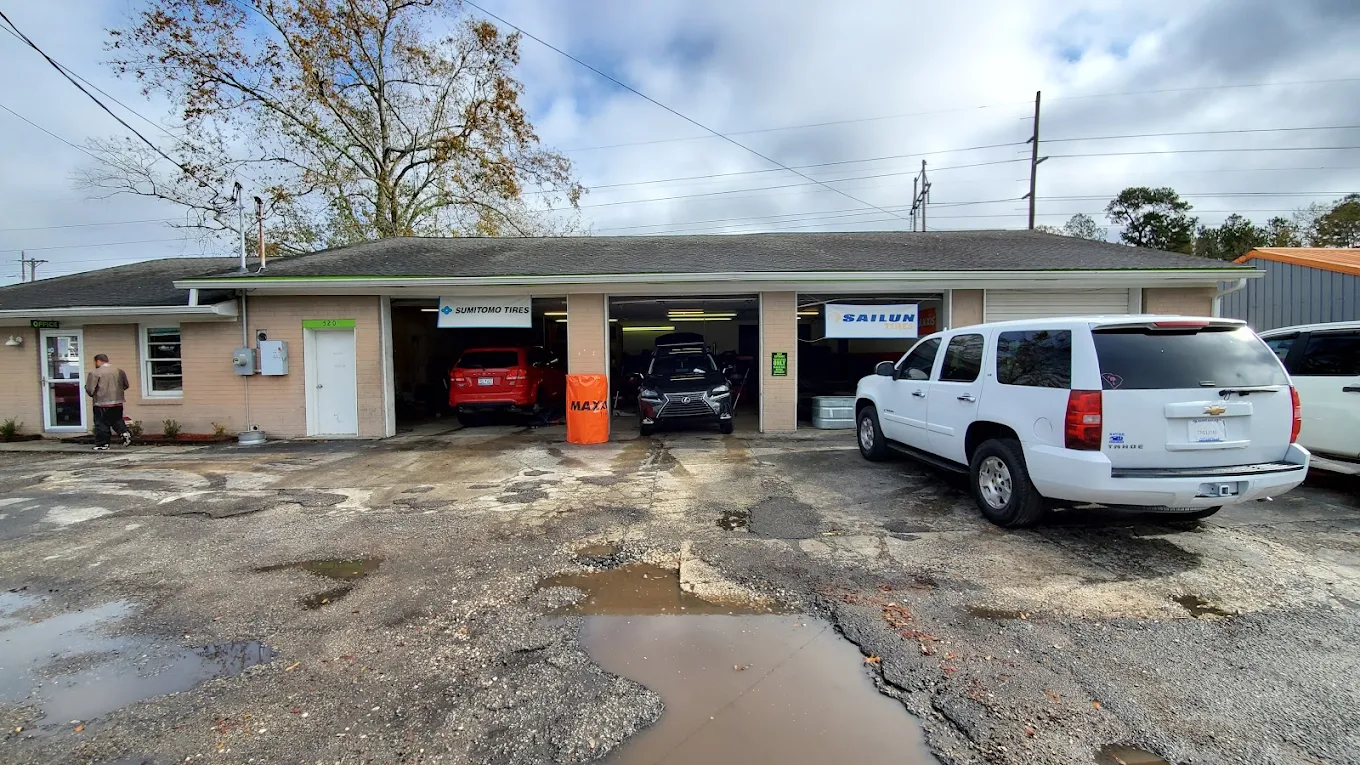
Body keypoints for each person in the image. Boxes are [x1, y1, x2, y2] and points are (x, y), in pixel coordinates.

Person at [85, 353, 132, 451]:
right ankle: (124, 432)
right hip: (118, 401)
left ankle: (102, 444)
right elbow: (126, 385)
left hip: (101, 402)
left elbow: (90, 390)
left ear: (98, 361)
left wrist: (87, 389)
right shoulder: (119, 371)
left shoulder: (95, 373)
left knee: (101, 423)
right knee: (116, 419)